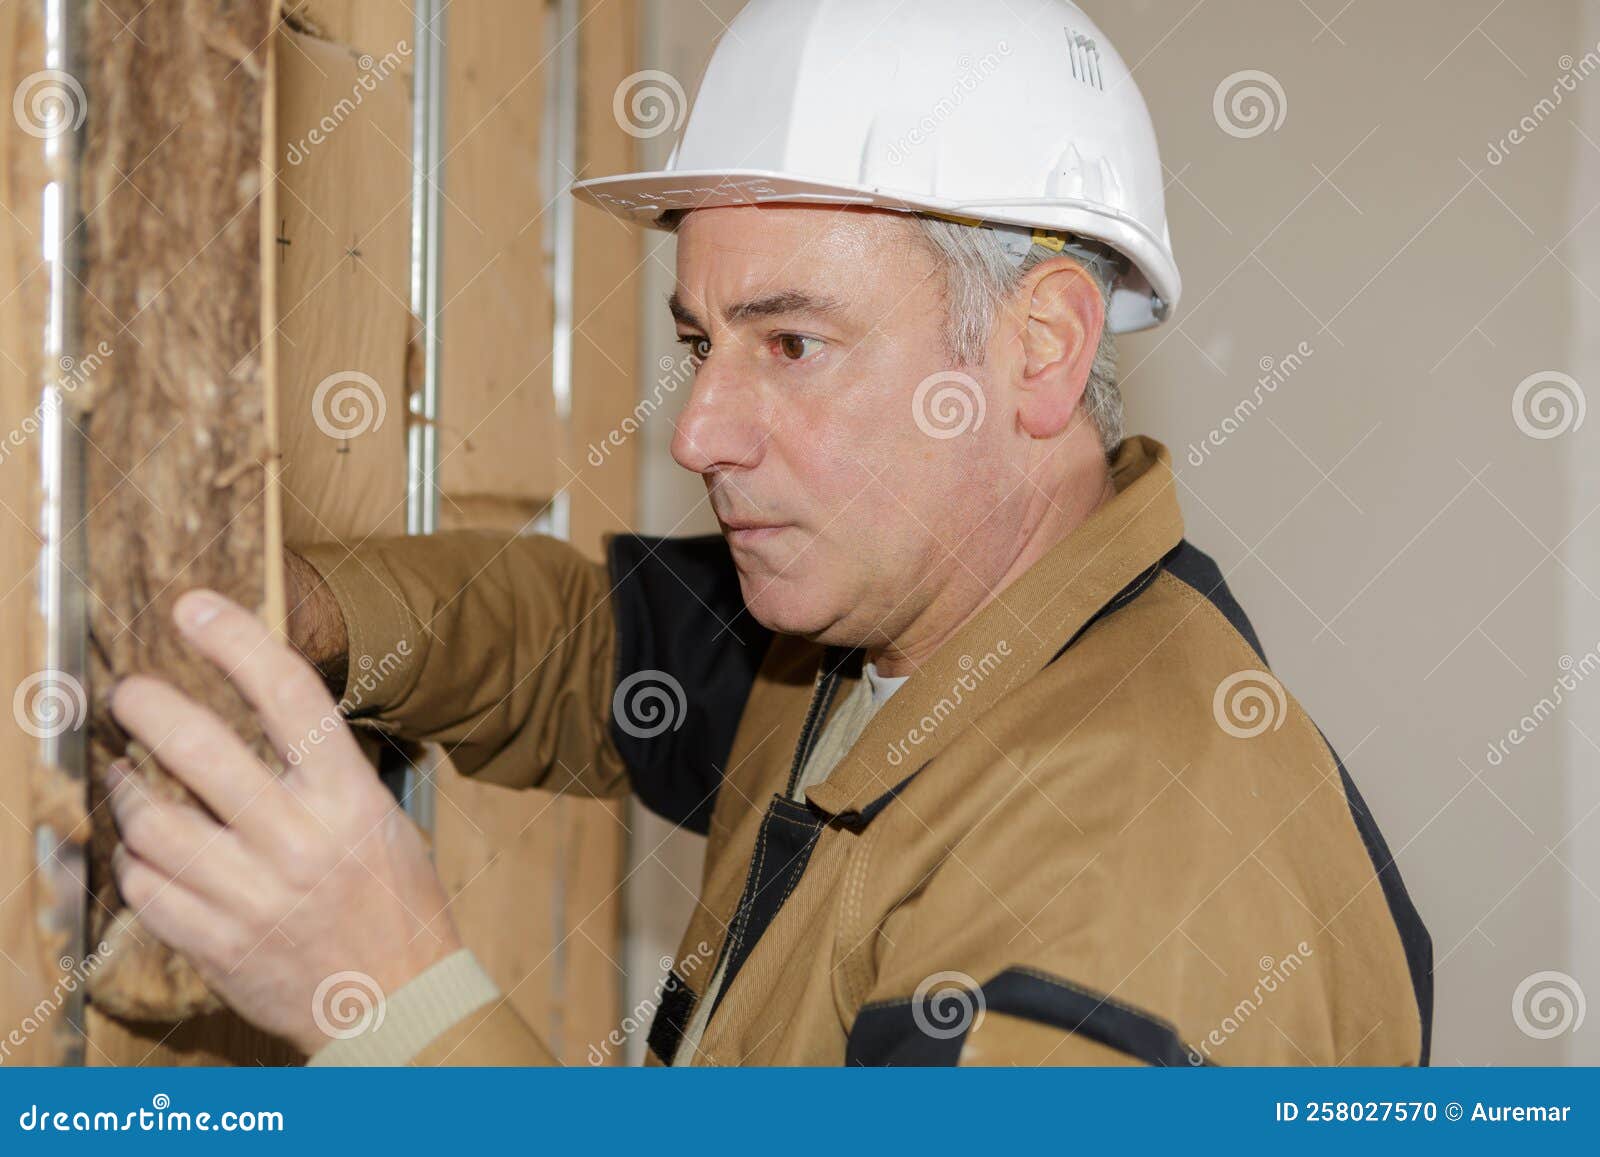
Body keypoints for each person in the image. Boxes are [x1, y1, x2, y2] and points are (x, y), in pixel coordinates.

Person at [105, 0, 1431, 1066]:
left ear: (1038, 348)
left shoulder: (1127, 883)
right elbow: (587, 646)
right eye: (701, 344)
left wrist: (384, 995)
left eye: (793, 343)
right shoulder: (892, 635)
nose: (700, 434)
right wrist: (318, 615)